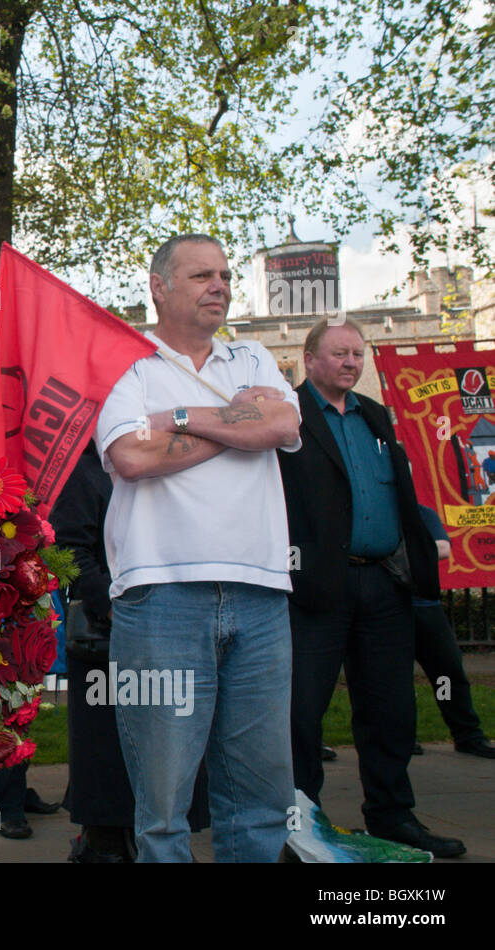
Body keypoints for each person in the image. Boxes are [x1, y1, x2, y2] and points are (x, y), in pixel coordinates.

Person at [95, 233, 300, 863]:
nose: (220, 285)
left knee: (262, 797)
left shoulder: (254, 357)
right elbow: (130, 457)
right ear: (158, 287)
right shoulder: (122, 364)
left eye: (225, 274)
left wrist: (178, 419)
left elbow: (283, 425)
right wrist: (237, 425)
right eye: (201, 275)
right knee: (164, 805)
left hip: (262, 592)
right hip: (161, 595)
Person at [278, 317, 466, 857]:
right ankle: (301, 823)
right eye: (339, 354)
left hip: (383, 584)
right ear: (310, 359)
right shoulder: (288, 418)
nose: (350, 363)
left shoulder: (377, 417)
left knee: (389, 708)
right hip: (316, 589)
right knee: (301, 710)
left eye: (357, 354)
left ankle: (392, 816)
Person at [50, 439, 209, 861]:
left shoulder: (169, 459)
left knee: (167, 752)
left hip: (173, 627)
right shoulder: (84, 470)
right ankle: (104, 846)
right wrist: (117, 606)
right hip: (109, 640)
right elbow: (67, 549)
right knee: (108, 760)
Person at [414, 504, 495, 757]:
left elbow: (444, 548)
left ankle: (466, 734)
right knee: (392, 680)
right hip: (388, 609)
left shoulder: (424, 514)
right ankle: (402, 737)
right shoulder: (377, 514)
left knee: (446, 674)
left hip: (426, 607)